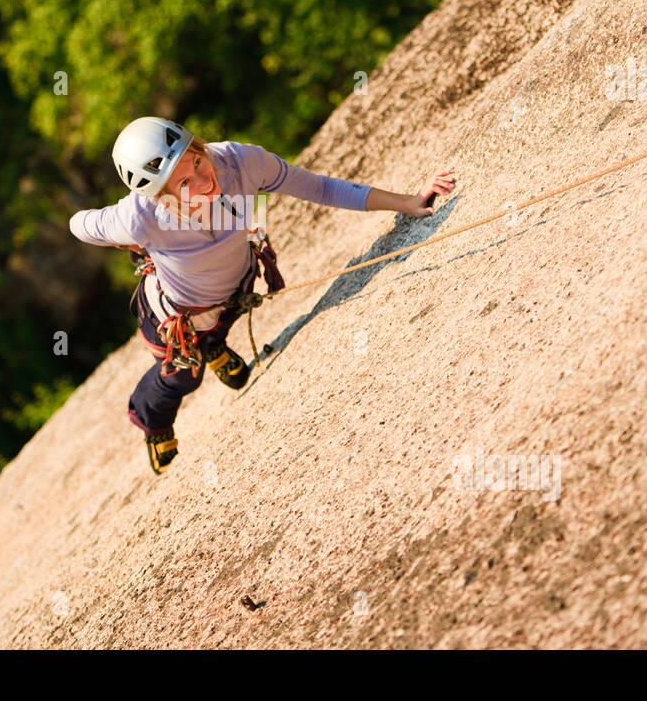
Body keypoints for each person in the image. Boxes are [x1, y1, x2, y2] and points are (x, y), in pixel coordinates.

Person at [68, 116, 455, 474]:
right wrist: (126, 241)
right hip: (178, 318)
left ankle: (216, 346)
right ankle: (153, 423)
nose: (205, 182)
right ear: (159, 195)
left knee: (226, 318)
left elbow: (319, 187)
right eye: (184, 184)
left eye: (197, 162)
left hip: (238, 285)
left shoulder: (240, 162)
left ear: (200, 148)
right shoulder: (138, 217)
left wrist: (406, 202)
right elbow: (78, 224)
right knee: (184, 376)